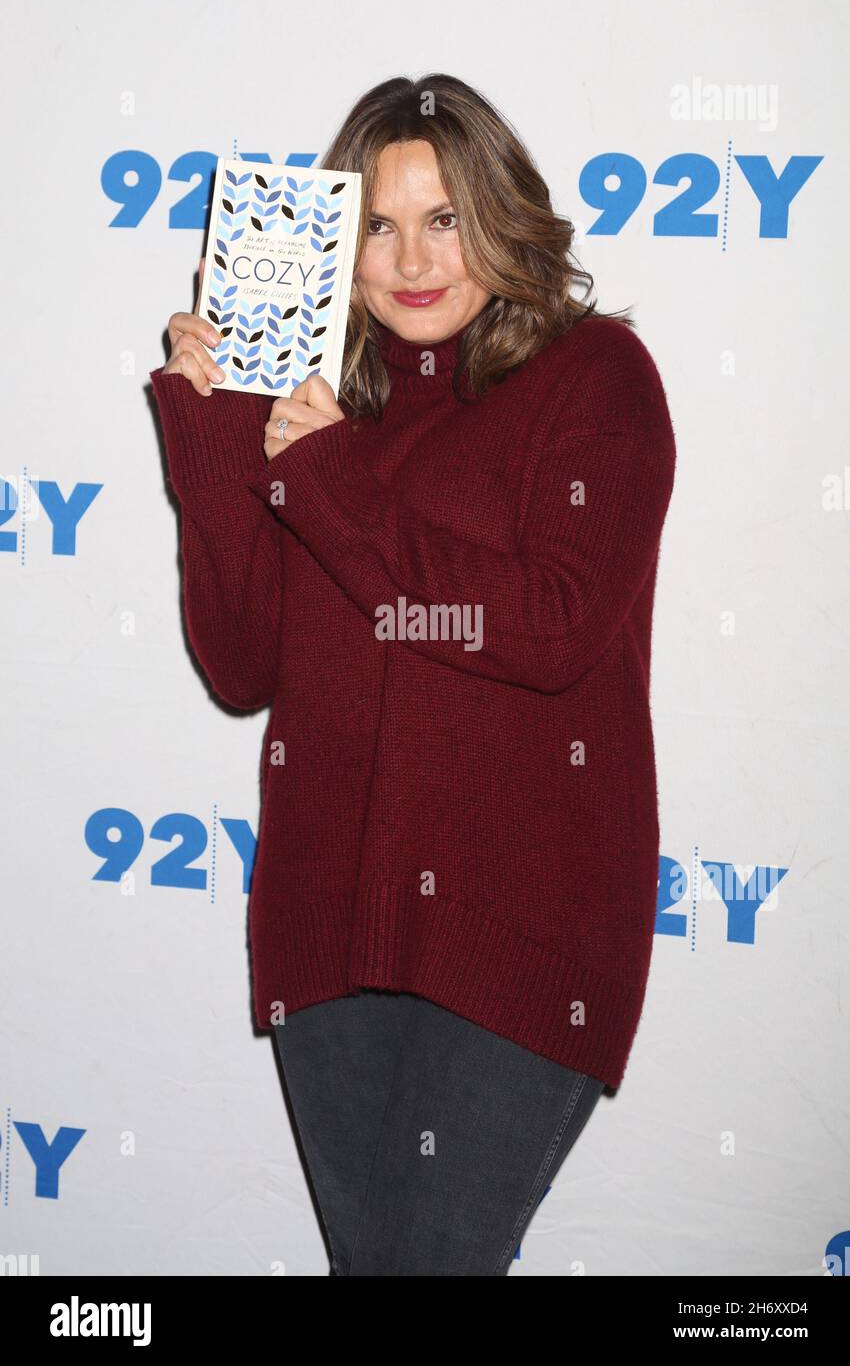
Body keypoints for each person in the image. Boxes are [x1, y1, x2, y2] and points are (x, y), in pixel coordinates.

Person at [149, 73, 676, 1276]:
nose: (411, 258)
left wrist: (328, 482)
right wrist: (221, 428)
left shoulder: (596, 378)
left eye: (444, 218)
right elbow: (241, 664)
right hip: (328, 925)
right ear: (340, 242)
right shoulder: (329, 412)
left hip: (517, 921)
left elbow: (549, 628)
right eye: (379, 225)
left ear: (503, 216)